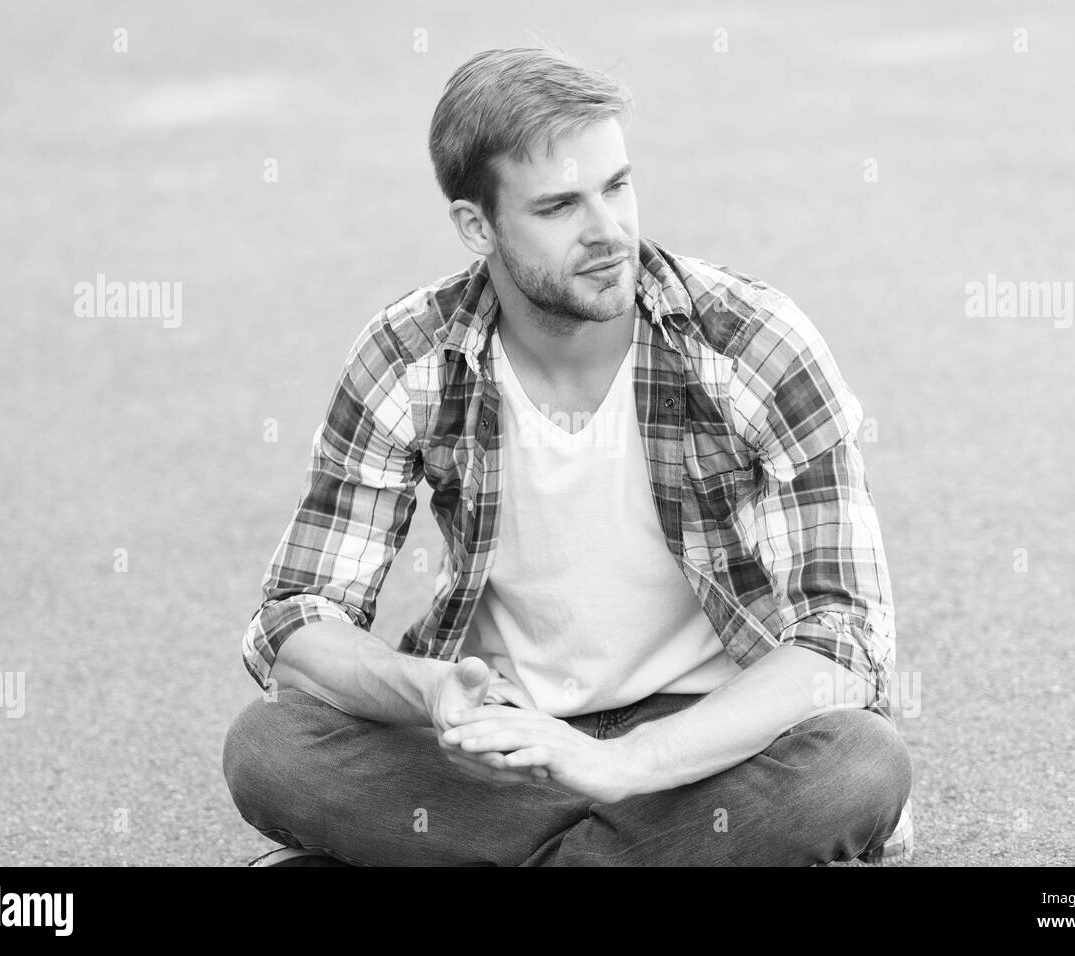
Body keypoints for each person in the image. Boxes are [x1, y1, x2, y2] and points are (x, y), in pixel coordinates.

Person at [222, 45, 914, 867]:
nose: (607, 232)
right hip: (505, 749)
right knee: (270, 746)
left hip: (708, 750)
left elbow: (845, 642)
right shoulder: (409, 358)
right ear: (477, 226)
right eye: (558, 208)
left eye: (616, 187)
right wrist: (432, 691)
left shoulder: (754, 344)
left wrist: (625, 763)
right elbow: (297, 615)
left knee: (856, 765)